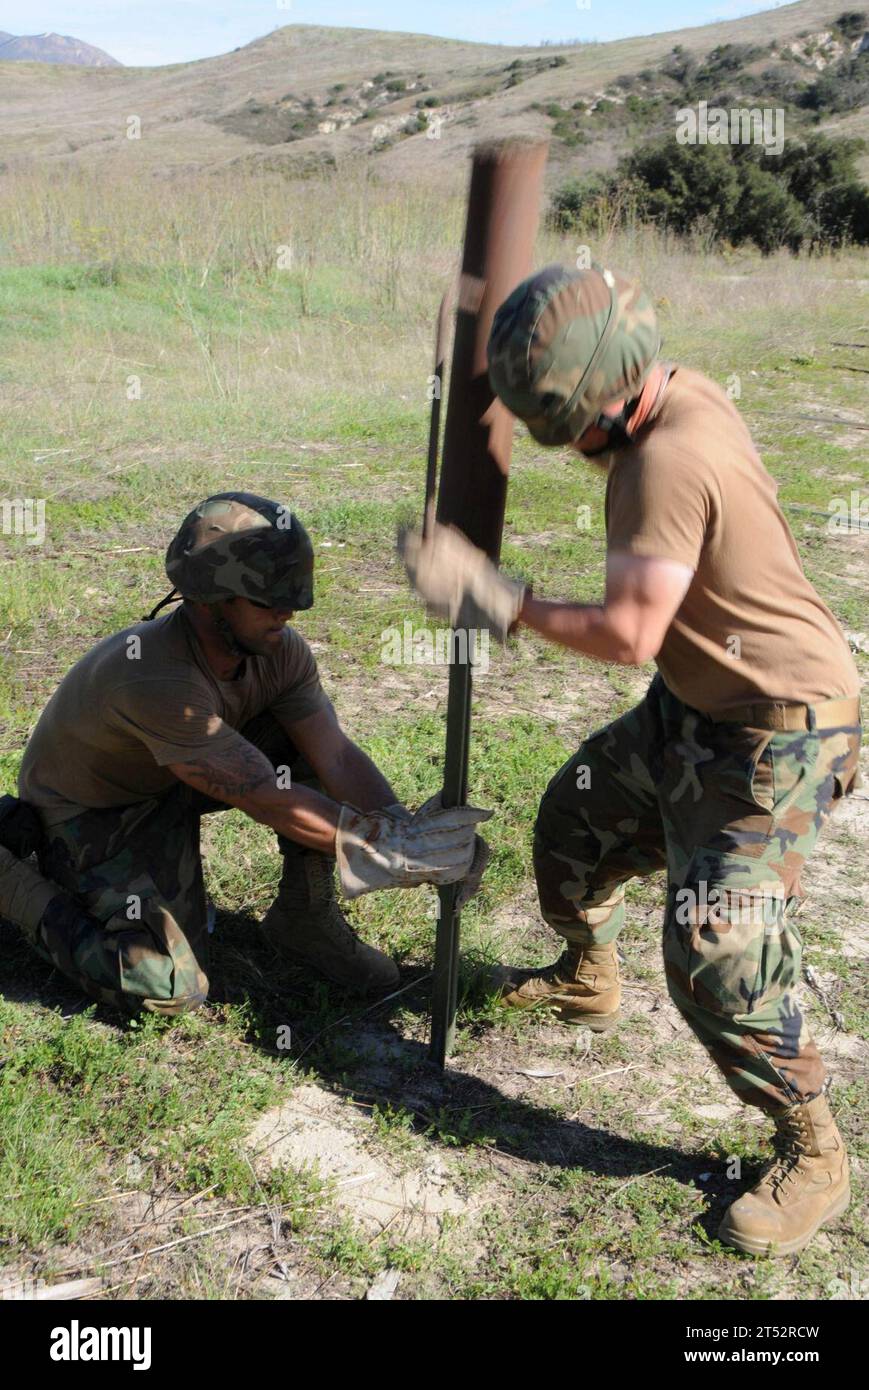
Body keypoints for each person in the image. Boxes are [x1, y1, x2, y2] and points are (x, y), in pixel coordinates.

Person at [398, 262, 862, 1257]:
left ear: (601, 408)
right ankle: (585, 976)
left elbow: (627, 631)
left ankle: (813, 1150)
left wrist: (499, 599)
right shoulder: (668, 389)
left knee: (713, 947)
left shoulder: (664, 460)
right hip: (692, 707)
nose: (552, 445)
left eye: (554, 425)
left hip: (775, 732)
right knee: (574, 819)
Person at [1, 491, 488, 1016]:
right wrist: (388, 849)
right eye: (266, 599)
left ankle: (305, 918)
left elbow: (336, 757)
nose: (286, 611)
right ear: (209, 599)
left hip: (178, 777)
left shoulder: (278, 651)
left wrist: (404, 826)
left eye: (291, 597)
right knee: (167, 984)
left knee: (295, 742)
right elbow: (263, 795)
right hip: (93, 812)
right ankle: (10, 880)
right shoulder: (157, 677)